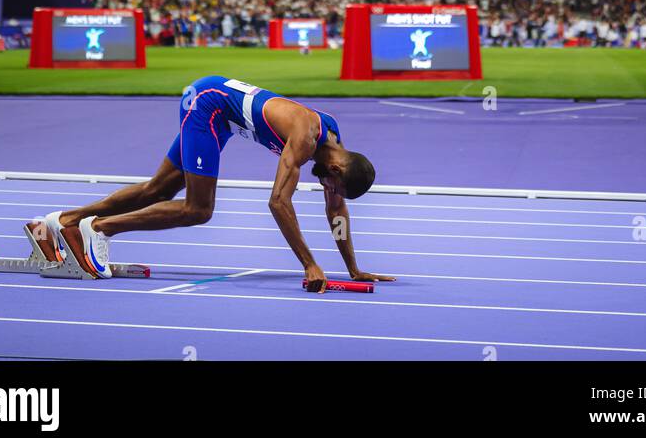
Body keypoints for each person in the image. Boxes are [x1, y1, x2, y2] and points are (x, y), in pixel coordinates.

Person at [28, 75, 391, 294]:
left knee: (159, 189)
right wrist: (309, 264)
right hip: (208, 106)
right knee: (198, 209)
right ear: (339, 170)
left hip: (219, 114)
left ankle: (64, 221)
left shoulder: (334, 146)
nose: (328, 190)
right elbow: (278, 202)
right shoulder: (307, 135)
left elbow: (336, 211)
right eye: (333, 185)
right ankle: (100, 229)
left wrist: (353, 269)